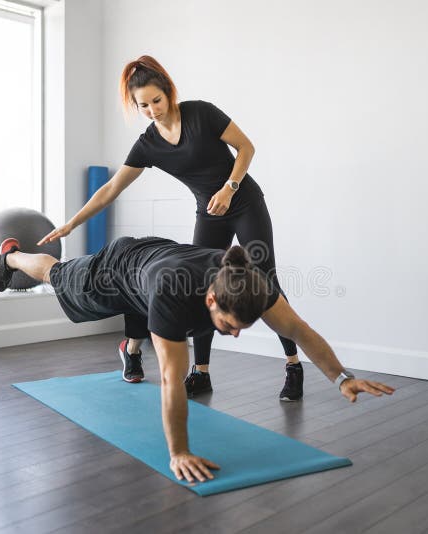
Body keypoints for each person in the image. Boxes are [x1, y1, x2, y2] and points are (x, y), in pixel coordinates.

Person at [0, 235, 395, 483]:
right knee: (57, 274)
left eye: (242, 328)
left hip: (154, 262)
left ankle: (128, 346)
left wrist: (342, 377)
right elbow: (171, 379)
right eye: (230, 325)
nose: (235, 334)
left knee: (147, 313)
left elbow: (300, 331)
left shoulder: (251, 285)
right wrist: (179, 452)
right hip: (115, 271)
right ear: (211, 299)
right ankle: (11, 258)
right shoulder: (173, 295)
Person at [37, 55, 301, 401]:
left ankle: (293, 366)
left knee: (265, 280)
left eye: (156, 101)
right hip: (209, 212)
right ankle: (201, 372)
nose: (152, 110)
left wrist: (229, 188)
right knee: (204, 284)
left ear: (169, 92)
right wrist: (72, 223)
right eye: (143, 105)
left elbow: (246, 147)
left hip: (244, 202)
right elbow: (111, 188)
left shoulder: (201, 114)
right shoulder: (149, 143)